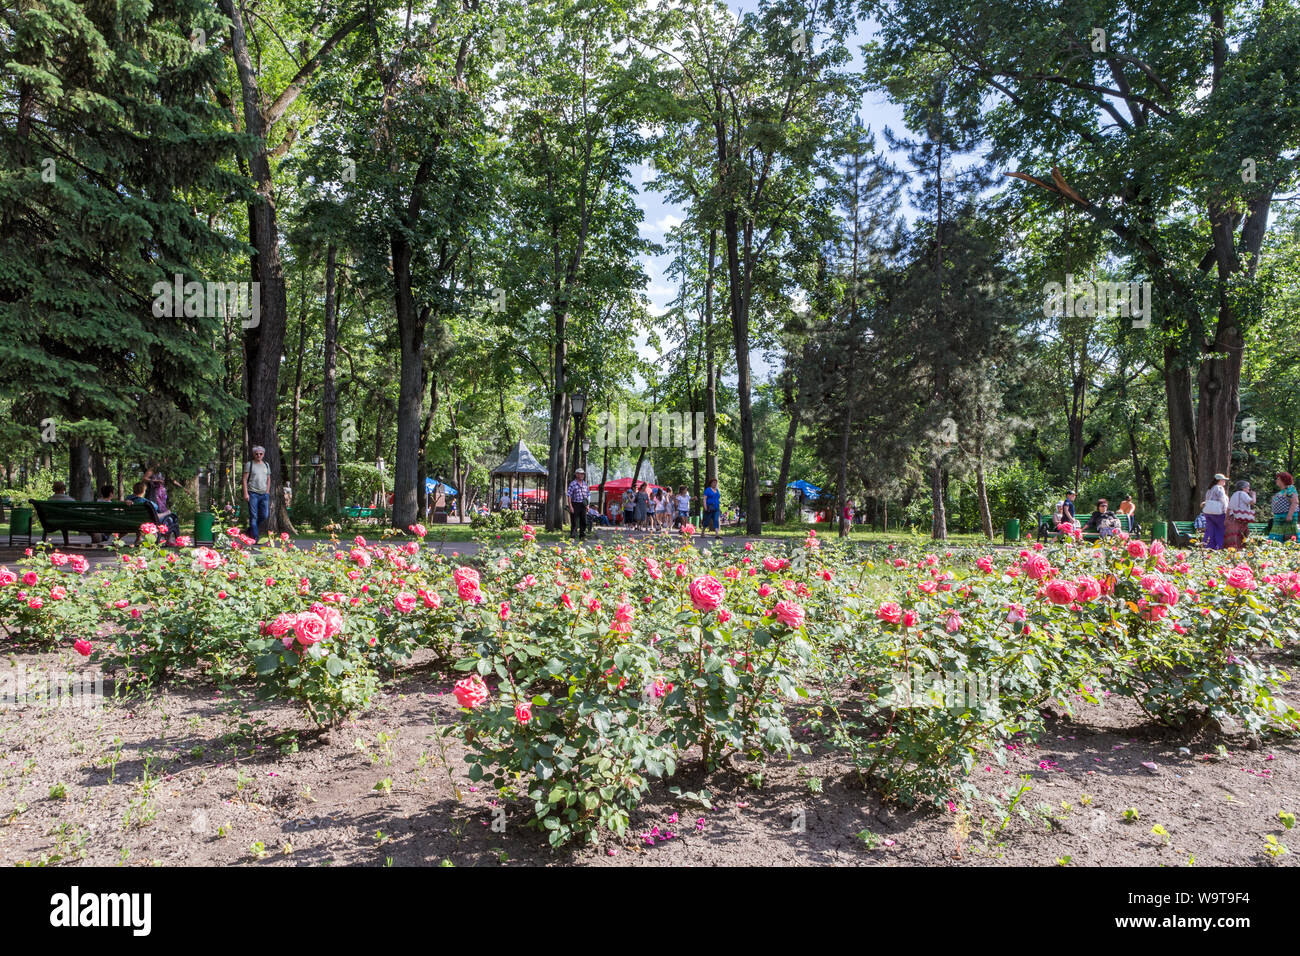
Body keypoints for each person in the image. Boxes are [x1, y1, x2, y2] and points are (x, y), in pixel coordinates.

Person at [242, 445, 272, 542]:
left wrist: (267, 491)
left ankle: (249, 530)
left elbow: (268, 479)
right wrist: (246, 493)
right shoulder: (249, 464)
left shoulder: (266, 465)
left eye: (260, 454)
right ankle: (255, 538)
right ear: (254, 454)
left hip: (264, 494)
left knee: (264, 515)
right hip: (253, 493)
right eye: (256, 454)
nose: (258, 455)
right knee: (253, 516)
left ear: (263, 454)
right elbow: (244, 479)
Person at [1201, 473, 1229, 550]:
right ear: (1219, 480)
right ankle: (1219, 546)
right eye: (1223, 480)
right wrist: (1226, 511)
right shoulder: (1219, 488)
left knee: (1210, 530)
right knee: (1221, 529)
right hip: (1218, 513)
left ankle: (1208, 546)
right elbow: (1223, 501)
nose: (1224, 482)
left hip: (1208, 512)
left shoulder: (1210, 489)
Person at [1226, 480, 1256, 550]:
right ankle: (1240, 550)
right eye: (1248, 487)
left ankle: (1233, 550)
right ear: (1243, 488)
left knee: (1234, 536)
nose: (1249, 488)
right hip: (1241, 519)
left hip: (1233, 518)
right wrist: (1253, 495)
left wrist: (1226, 519)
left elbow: (1229, 508)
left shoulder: (1234, 494)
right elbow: (1252, 502)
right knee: (1242, 536)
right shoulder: (1243, 493)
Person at [1270, 471, 1299, 543]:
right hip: (1278, 519)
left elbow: (1295, 502)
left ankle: (1291, 552)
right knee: (1275, 538)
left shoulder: (1290, 488)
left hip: (1287, 517)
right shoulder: (1282, 491)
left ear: (1284, 480)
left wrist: (1289, 515)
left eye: (1278, 479)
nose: (1276, 480)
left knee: (1289, 538)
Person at [566, 468, 589, 541]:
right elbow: (569, 495)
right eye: (580, 473)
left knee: (584, 521)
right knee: (574, 521)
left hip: (583, 505)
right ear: (576, 474)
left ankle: (582, 536)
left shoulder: (585, 484)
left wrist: (587, 505)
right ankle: (572, 536)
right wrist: (570, 506)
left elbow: (587, 495)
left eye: (583, 474)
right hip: (575, 504)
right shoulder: (573, 484)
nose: (582, 475)